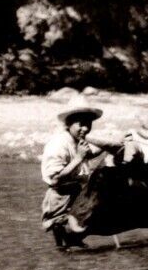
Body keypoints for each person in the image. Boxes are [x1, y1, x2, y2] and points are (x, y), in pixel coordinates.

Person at [40, 105, 107, 249]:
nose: (85, 129)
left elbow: (89, 154)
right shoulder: (58, 144)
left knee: (80, 226)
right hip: (61, 196)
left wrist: (107, 146)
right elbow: (55, 178)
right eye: (81, 124)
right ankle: (63, 253)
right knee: (61, 232)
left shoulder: (78, 140)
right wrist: (78, 157)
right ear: (68, 124)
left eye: (88, 125)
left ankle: (72, 248)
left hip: (77, 192)